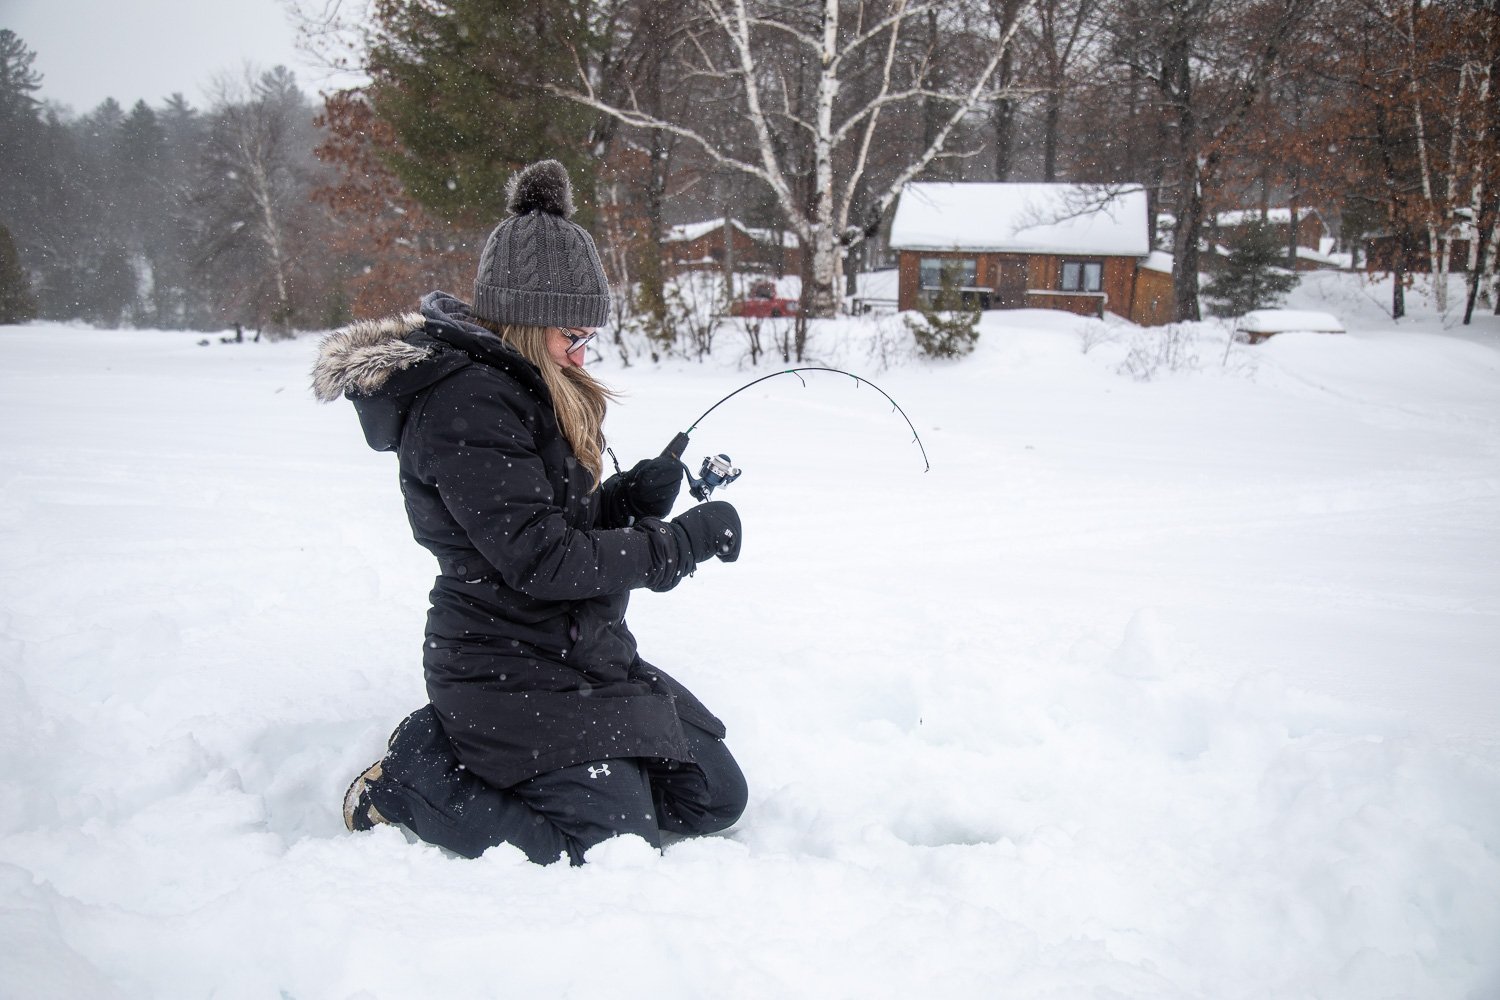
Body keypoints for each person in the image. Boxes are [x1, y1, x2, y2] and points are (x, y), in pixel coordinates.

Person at [311, 159, 747, 864]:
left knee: (712, 798)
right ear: (524, 321)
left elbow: (551, 526)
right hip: (503, 668)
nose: (579, 355)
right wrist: (675, 547)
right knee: (607, 844)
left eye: (586, 339)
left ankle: (551, 762)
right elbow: (541, 559)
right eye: (569, 336)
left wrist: (628, 497)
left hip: (579, 654)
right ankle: (413, 777)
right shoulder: (467, 406)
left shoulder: (524, 389)